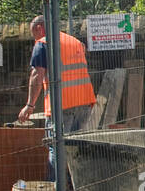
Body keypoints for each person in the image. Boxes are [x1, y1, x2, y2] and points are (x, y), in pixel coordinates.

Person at [18, 14, 96, 180]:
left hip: (63, 104)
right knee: (75, 148)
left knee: (56, 147)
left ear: (39, 28)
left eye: (34, 34)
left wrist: (30, 105)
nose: (35, 39)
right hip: (84, 102)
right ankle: (75, 188)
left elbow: (36, 76)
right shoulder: (74, 41)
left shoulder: (43, 43)